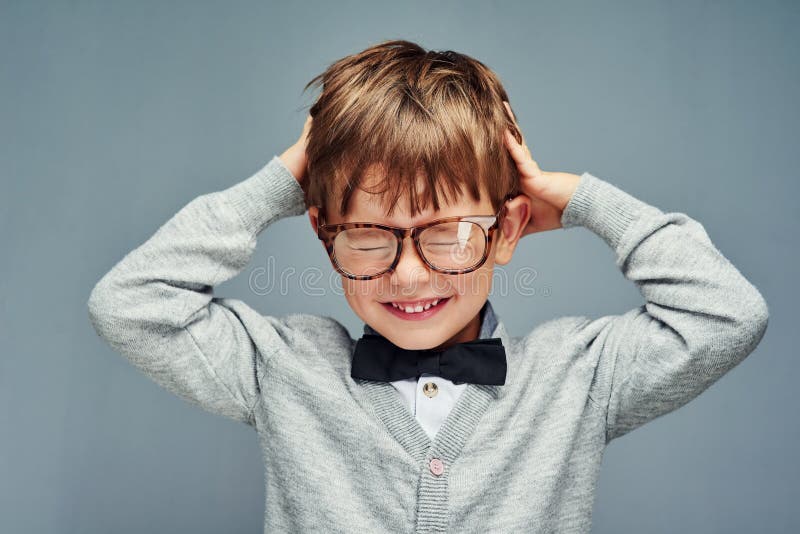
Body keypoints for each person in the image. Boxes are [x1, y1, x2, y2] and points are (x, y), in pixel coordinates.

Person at [87, 39, 769, 533]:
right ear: (324, 236)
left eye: (448, 233)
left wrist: (583, 199)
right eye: (368, 234)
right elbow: (130, 304)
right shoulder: (285, 369)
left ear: (507, 231)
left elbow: (727, 313)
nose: (409, 274)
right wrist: (283, 181)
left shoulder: (577, 376)